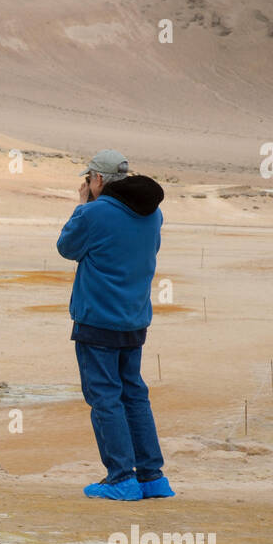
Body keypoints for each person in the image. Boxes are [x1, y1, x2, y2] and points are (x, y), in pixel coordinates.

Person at [56, 149, 172, 501]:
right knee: (134, 394)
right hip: (134, 318)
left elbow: (66, 246)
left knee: (105, 398)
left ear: (99, 180)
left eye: (89, 179)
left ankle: (121, 478)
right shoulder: (154, 214)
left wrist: (81, 206)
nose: (87, 184)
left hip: (97, 320)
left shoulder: (94, 213)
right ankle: (152, 477)